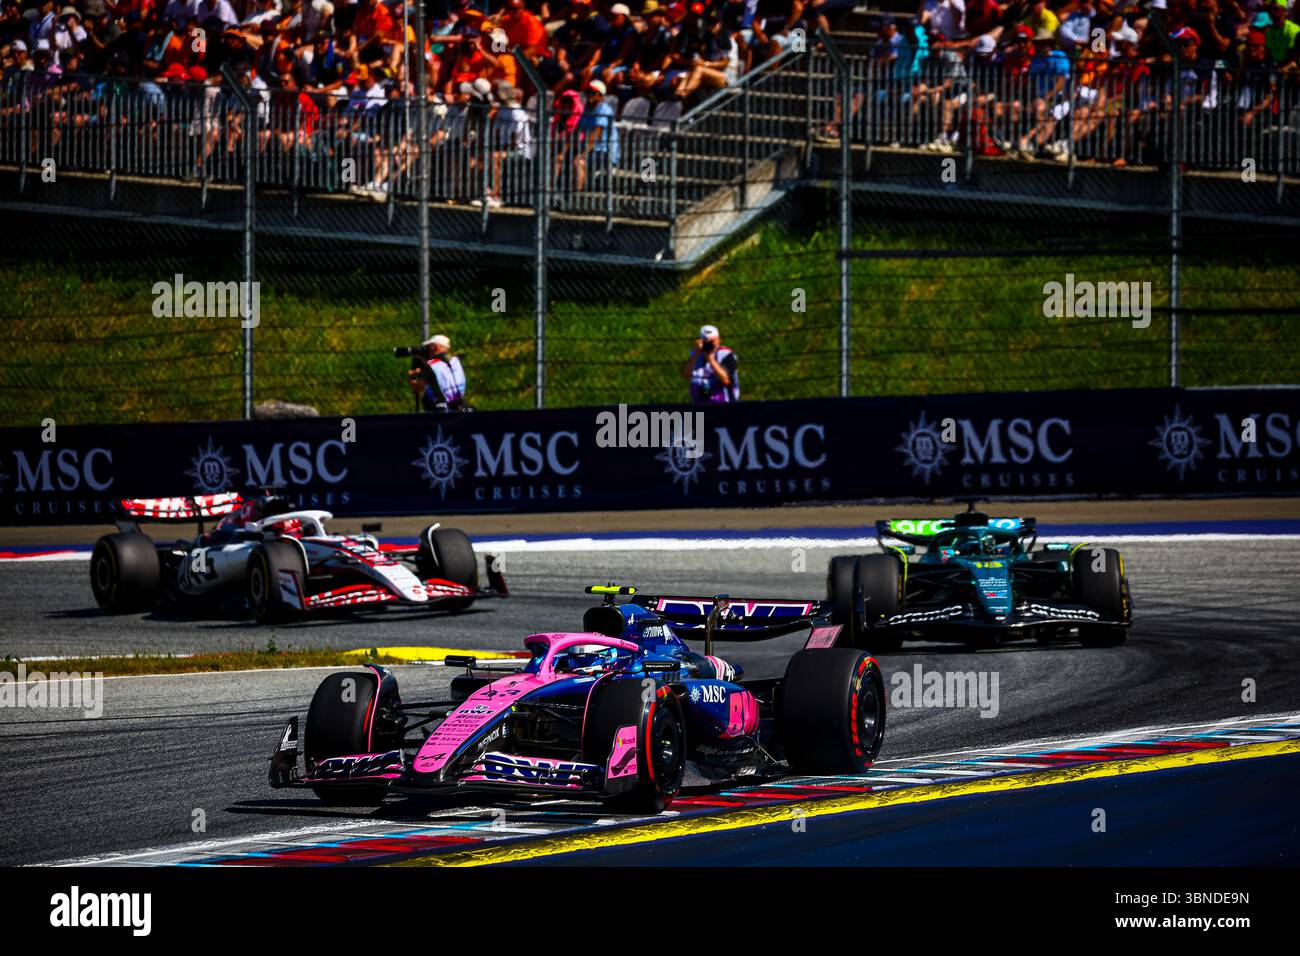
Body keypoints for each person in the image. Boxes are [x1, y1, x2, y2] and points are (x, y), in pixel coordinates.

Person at [408, 334, 469, 411]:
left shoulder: (432, 364)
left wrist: (413, 377)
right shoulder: (456, 360)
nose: (427, 350)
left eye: (429, 347)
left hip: (439, 410)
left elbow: (418, 387)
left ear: (436, 347)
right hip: (459, 406)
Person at [682, 324, 739, 403]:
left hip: (724, 403)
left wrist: (711, 360)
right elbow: (686, 375)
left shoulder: (726, 354)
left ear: (718, 340)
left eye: (712, 341)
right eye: (706, 342)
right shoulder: (696, 355)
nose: (709, 344)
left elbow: (726, 380)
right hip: (701, 402)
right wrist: (695, 355)